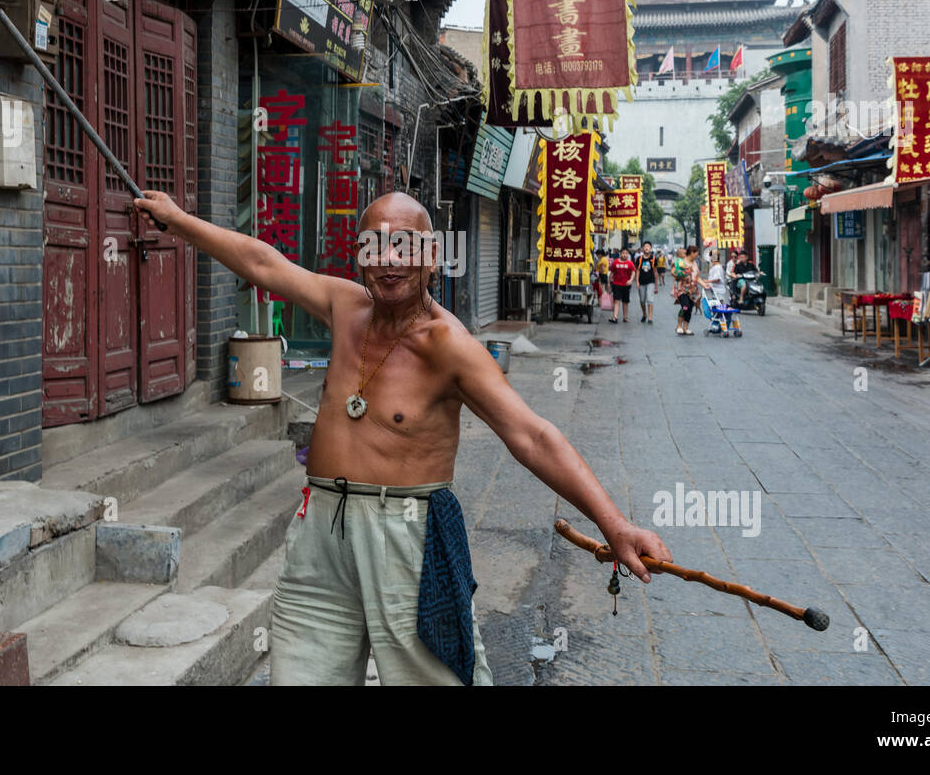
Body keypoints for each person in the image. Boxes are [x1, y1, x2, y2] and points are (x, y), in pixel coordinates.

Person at [132, 189, 672, 686]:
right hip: (321, 530)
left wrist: (614, 523)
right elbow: (262, 262)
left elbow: (531, 435)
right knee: (299, 674)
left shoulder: (448, 345)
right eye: (375, 246)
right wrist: (179, 222)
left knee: (434, 676)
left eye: (404, 246)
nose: (388, 261)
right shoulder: (345, 307)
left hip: (406, 538)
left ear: (431, 256)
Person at [672, 244, 701, 336]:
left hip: (692, 290)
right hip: (682, 289)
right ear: (692, 253)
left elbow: (697, 277)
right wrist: (681, 276)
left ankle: (686, 328)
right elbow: (674, 272)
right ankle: (679, 326)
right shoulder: (681, 261)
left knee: (690, 309)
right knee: (685, 306)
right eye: (696, 253)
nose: (697, 255)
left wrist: (705, 284)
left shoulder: (695, 263)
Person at [608, 246, 636, 324]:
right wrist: (609, 283)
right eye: (623, 253)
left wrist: (630, 280)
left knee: (625, 302)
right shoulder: (615, 262)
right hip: (616, 284)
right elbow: (612, 273)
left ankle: (625, 317)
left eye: (626, 253)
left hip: (626, 285)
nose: (625, 255)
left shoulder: (630, 263)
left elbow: (634, 271)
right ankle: (615, 317)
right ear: (620, 254)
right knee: (616, 300)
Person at [635, 240, 658, 324]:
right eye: (645, 246)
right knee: (642, 300)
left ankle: (650, 317)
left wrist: (656, 286)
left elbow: (655, 272)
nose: (646, 248)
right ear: (643, 248)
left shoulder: (653, 259)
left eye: (648, 246)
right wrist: (637, 281)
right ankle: (644, 314)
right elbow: (637, 270)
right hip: (641, 282)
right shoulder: (639, 259)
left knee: (650, 299)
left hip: (650, 281)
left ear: (651, 248)